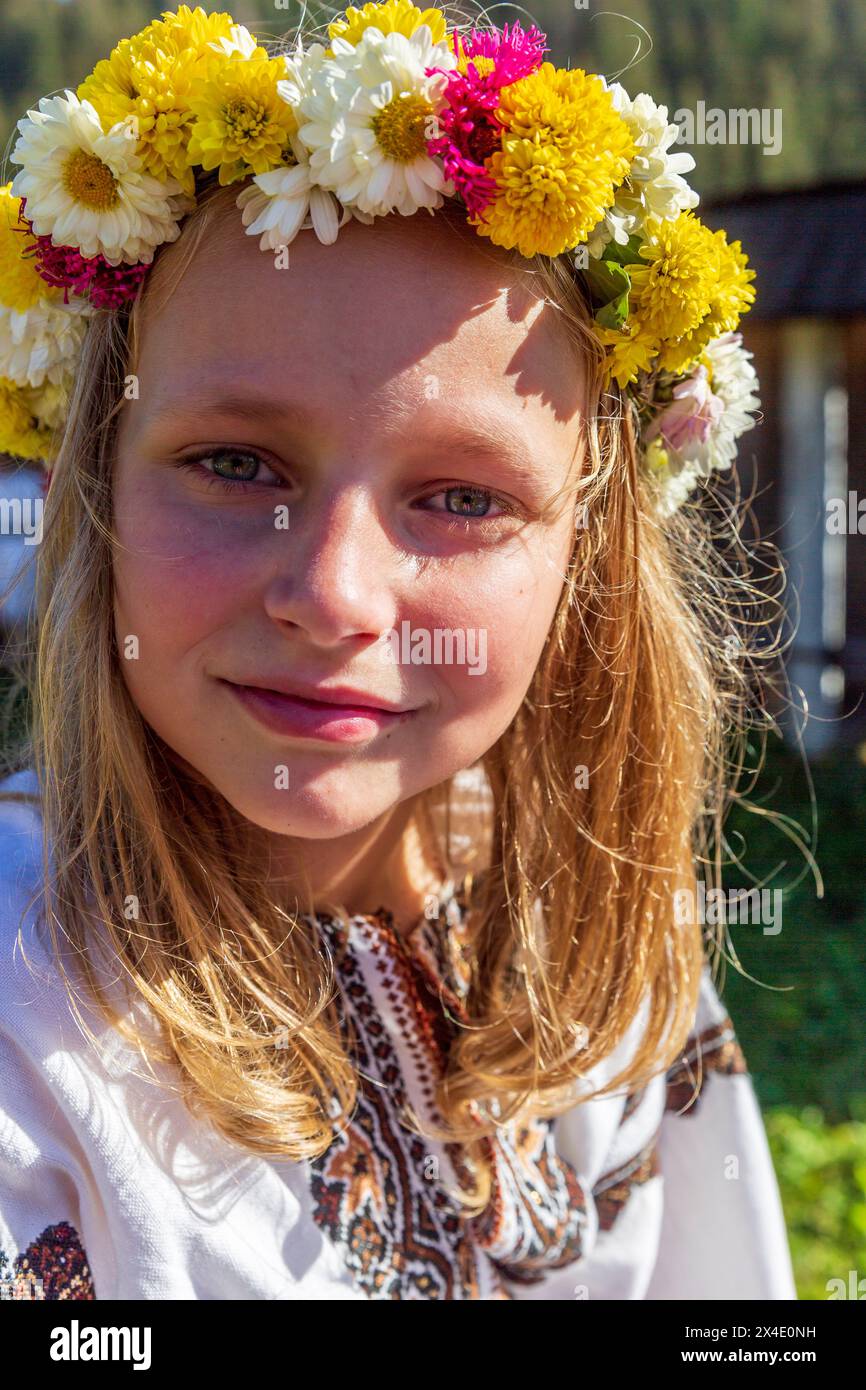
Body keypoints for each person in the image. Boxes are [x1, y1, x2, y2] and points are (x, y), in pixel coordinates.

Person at [0, 2, 795, 1300]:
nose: (334, 593)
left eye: (463, 497)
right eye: (234, 462)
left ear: (587, 556)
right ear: (95, 484)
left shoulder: (608, 978)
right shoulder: (24, 1009)